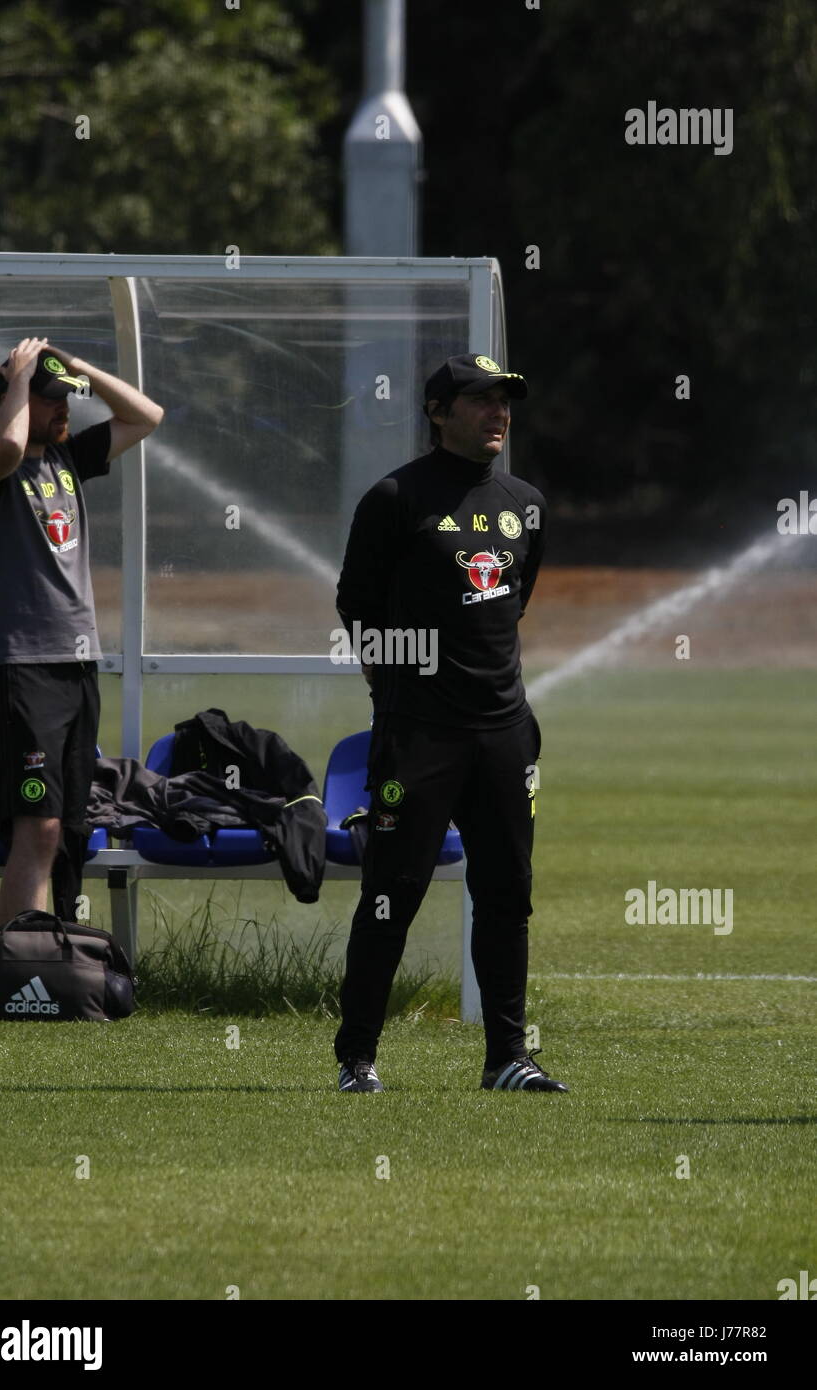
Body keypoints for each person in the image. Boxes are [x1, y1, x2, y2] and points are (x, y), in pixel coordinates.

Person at [333, 353, 568, 1094]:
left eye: (506, 401)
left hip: (504, 733)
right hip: (420, 735)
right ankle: (358, 1058)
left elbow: (513, 600)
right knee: (391, 893)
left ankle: (507, 1058)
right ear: (438, 411)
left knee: (507, 893)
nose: (498, 412)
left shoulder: (524, 502)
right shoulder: (395, 497)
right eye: (480, 400)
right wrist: (399, 692)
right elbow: (357, 606)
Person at [0, 338, 163, 923]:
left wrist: (79, 370)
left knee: (68, 822)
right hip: (20, 665)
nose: (63, 409)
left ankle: (56, 950)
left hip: (76, 664)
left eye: (64, 400)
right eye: (51, 402)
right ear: (16, 401)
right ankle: (18, 957)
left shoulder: (68, 458)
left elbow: (147, 416)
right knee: (36, 822)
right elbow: (10, 443)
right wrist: (21, 378)